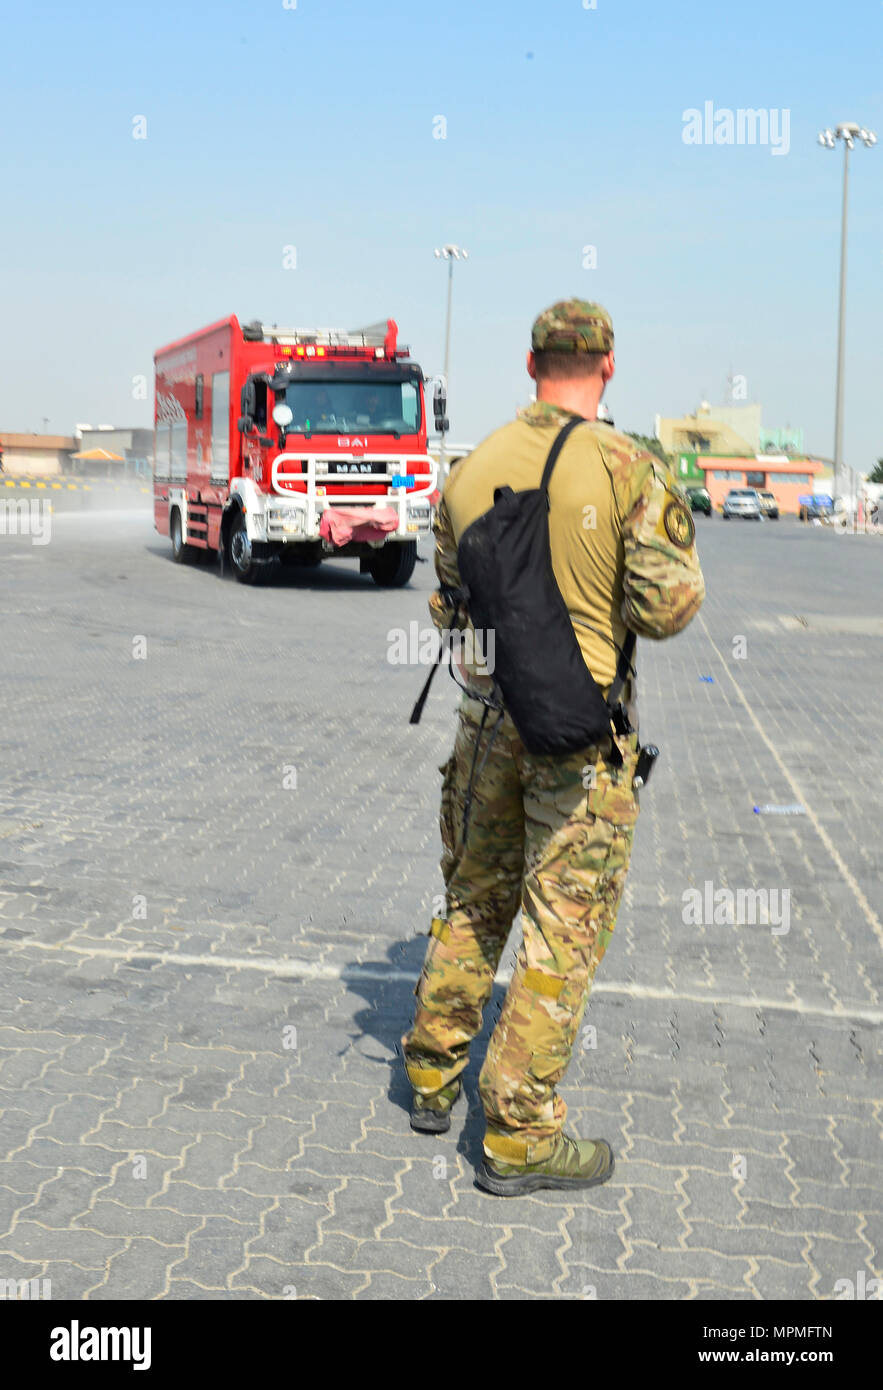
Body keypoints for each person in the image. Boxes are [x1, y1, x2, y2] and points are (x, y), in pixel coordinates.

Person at [401, 299, 706, 1196]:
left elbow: (446, 608)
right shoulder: (626, 466)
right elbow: (668, 608)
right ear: (606, 366)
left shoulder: (471, 468)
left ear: (529, 364)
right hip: (580, 740)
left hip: (490, 721)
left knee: (475, 895)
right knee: (558, 934)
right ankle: (519, 1134)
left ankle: (429, 1072)